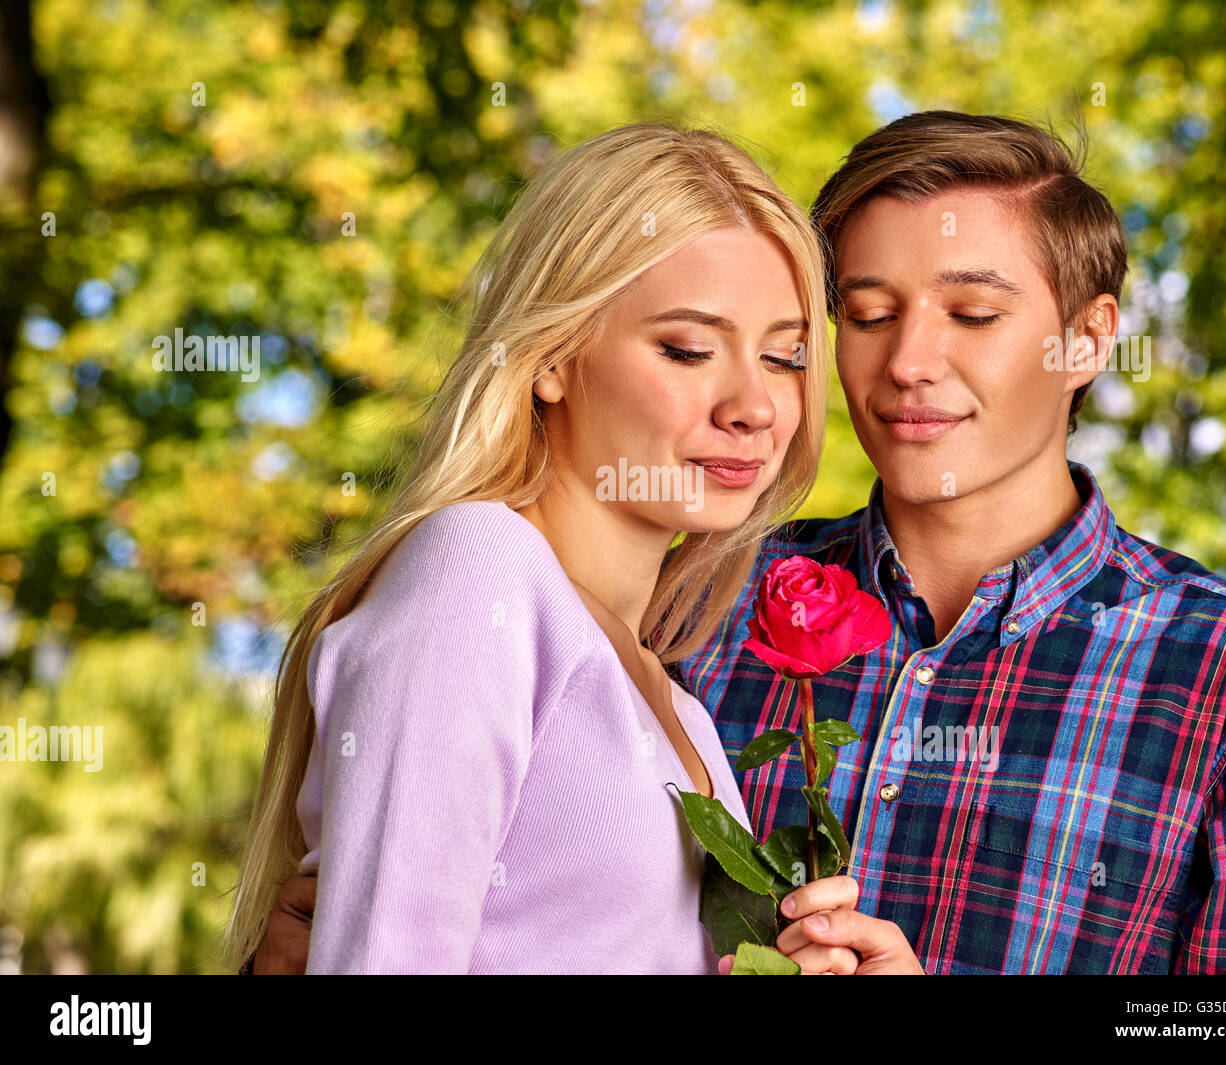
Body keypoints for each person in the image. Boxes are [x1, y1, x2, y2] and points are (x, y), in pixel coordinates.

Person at [250, 110, 1226, 976]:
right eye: (867, 314)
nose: (910, 362)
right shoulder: (695, 612)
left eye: (973, 314)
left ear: (1088, 338)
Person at [225, 122, 870, 975]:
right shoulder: (478, 568)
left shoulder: (676, 703)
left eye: (785, 357)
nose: (754, 405)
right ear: (551, 356)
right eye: (687, 349)